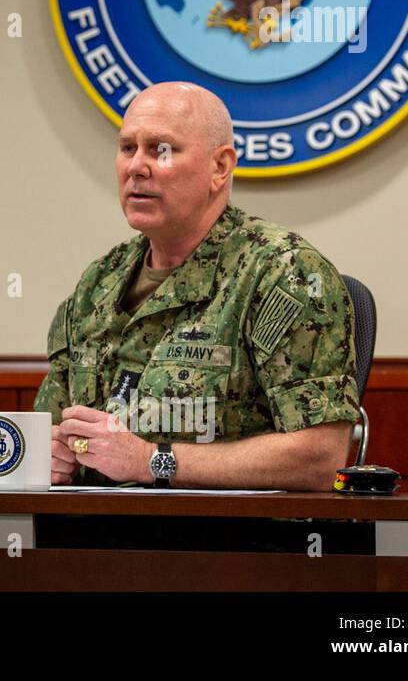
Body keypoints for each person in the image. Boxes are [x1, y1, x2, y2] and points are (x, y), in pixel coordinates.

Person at [33, 81, 359, 491]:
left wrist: (154, 461)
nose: (137, 166)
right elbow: (51, 424)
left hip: (227, 542)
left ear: (219, 167)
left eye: (160, 150)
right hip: (93, 536)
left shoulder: (282, 272)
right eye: (128, 148)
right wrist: (50, 456)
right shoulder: (99, 281)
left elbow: (318, 457)